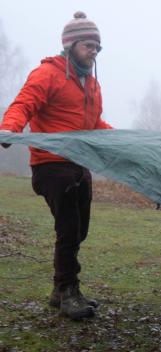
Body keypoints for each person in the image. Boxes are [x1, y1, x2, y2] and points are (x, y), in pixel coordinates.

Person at [0, 12, 112, 320]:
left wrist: (120, 140)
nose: (94, 52)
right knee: (68, 229)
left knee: (80, 231)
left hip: (79, 162)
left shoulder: (91, 83)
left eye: (97, 48)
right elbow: (24, 103)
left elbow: (93, 124)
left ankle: (58, 288)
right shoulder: (47, 74)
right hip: (51, 164)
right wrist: (10, 128)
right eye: (89, 45)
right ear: (71, 45)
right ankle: (68, 292)